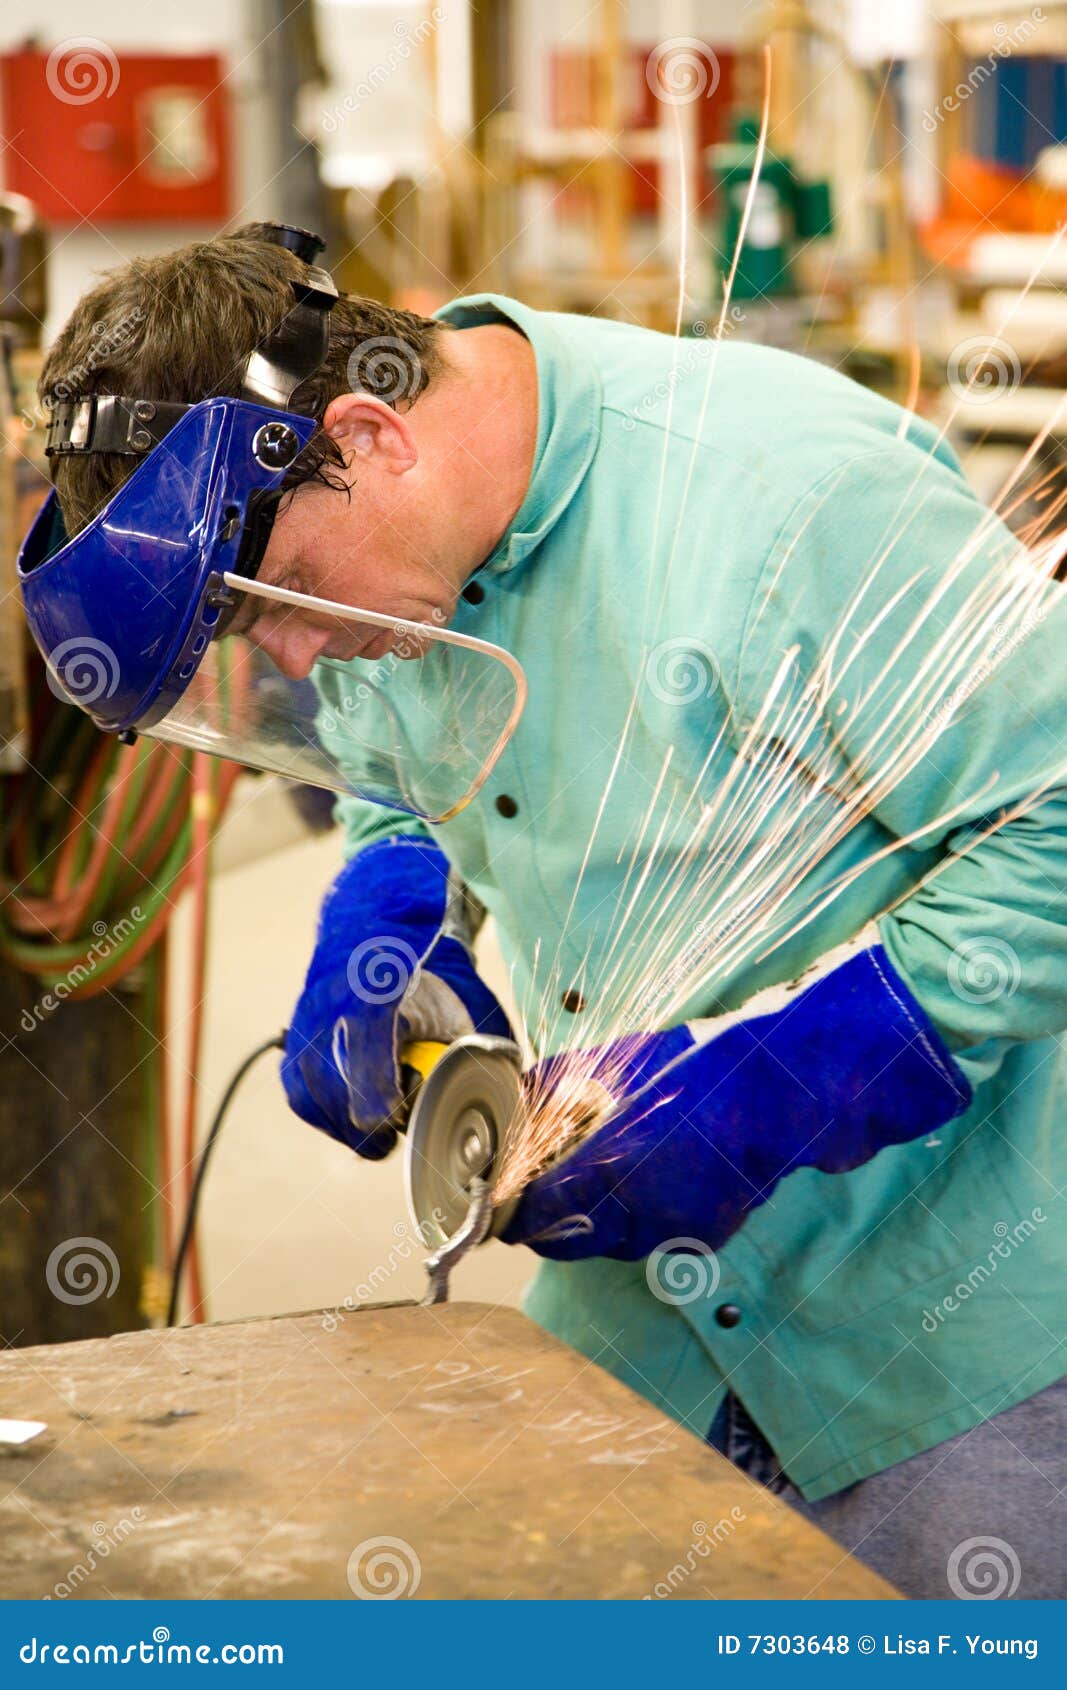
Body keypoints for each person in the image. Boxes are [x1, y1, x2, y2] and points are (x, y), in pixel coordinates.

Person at [21, 225, 1067, 1599]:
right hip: (639, 1325)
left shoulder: (787, 499)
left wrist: (795, 1079)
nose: (293, 651)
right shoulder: (380, 560)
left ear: (368, 432)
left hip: (941, 1340)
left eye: (284, 603)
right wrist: (392, 912)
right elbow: (397, 781)